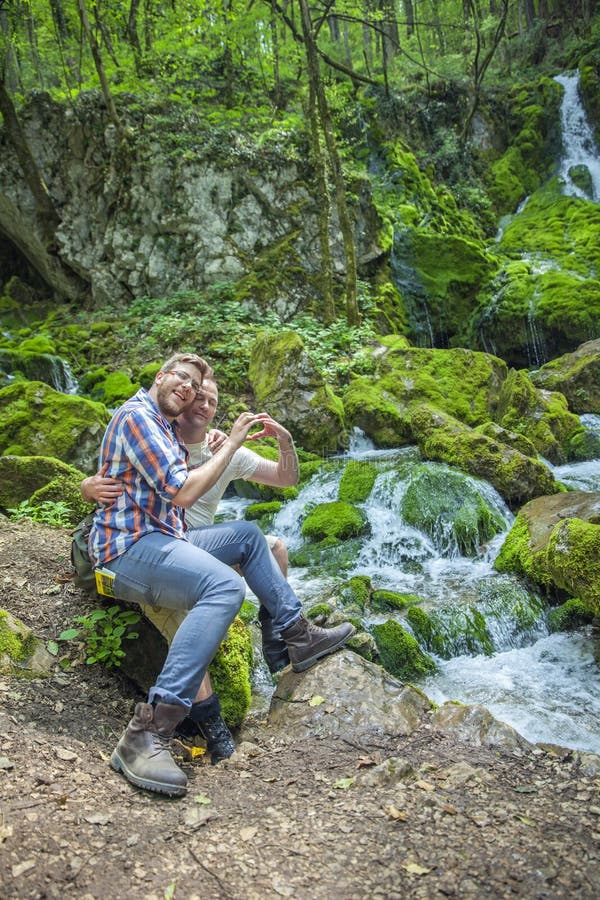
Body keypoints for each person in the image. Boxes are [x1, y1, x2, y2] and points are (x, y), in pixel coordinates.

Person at [88, 353, 354, 797]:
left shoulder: (164, 424)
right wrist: (230, 442)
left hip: (164, 538)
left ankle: (296, 634)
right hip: (128, 551)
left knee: (251, 535)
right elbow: (183, 490)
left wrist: (254, 443)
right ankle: (148, 733)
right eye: (182, 380)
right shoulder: (138, 417)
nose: (190, 392)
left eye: (197, 388)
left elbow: (275, 478)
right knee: (225, 586)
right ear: (159, 376)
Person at [82, 375, 295, 761]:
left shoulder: (220, 448)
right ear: (179, 405)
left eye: (211, 401)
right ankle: (209, 729)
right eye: (196, 396)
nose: (203, 404)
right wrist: (86, 486)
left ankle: (281, 637)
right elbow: (122, 474)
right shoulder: (159, 437)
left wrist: (282, 441)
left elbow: (285, 478)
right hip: (158, 552)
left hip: (196, 545)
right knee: (197, 610)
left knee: (271, 546)